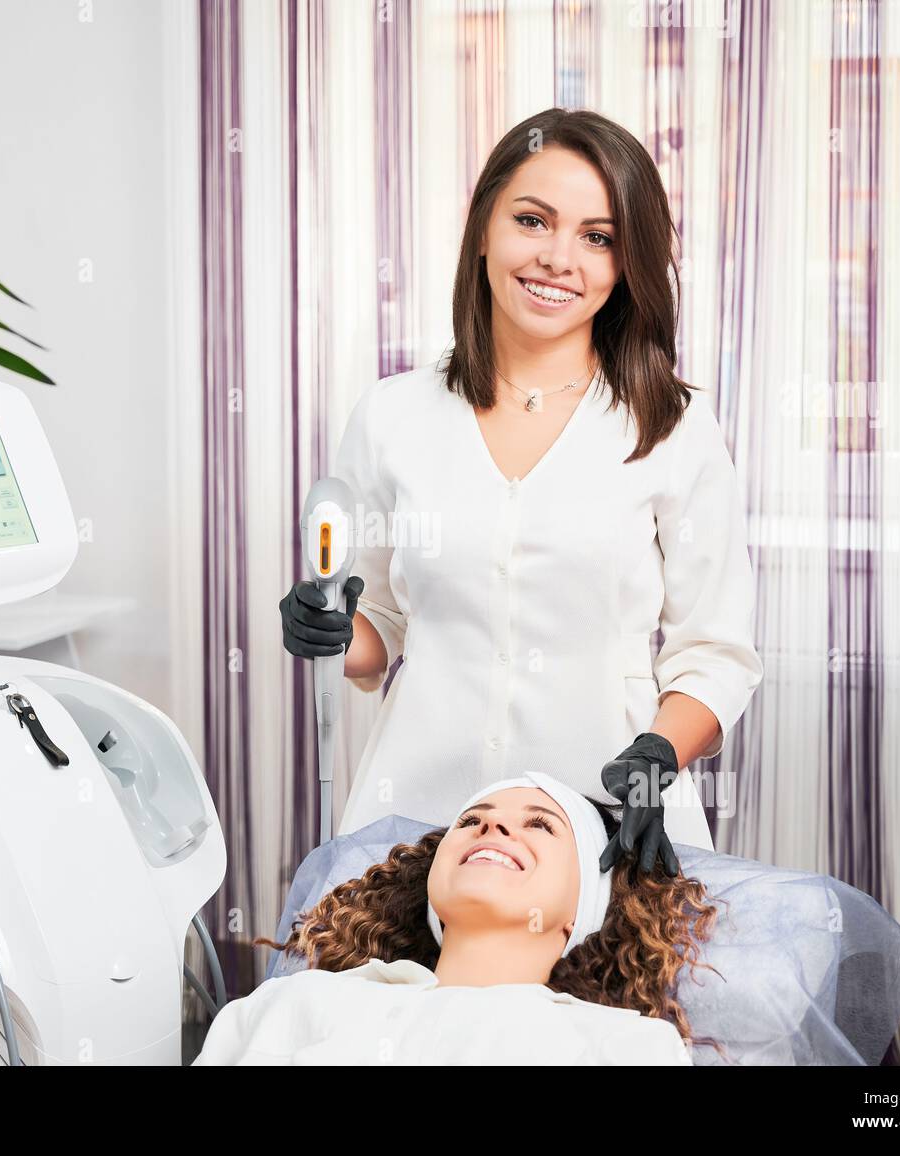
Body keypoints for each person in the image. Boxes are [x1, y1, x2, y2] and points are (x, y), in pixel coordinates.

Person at [280, 108, 762, 871]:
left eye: (598, 237)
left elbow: (718, 652)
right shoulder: (392, 415)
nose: (558, 258)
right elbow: (378, 622)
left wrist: (656, 758)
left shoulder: (672, 424)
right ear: (483, 229)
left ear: (624, 263)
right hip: (414, 825)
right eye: (532, 221)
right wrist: (330, 630)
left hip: (602, 835)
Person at [192, 773, 720, 1066]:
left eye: (541, 825)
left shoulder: (625, 1048)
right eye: (471, 820)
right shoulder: (290, 1003)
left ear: (583, 909)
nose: (491, 824)